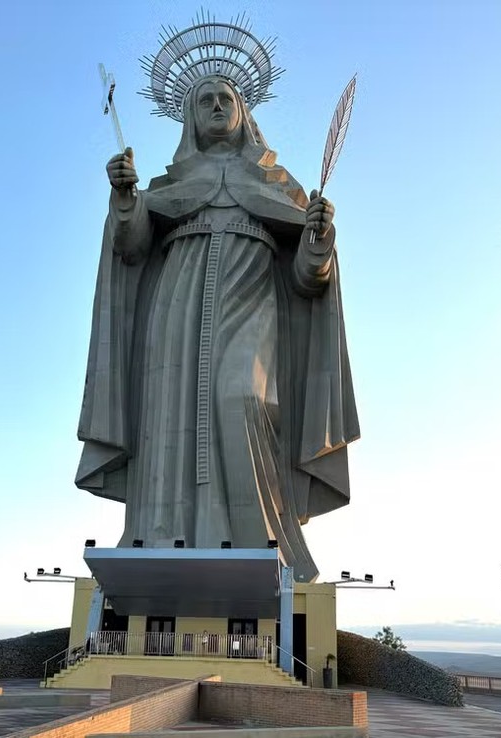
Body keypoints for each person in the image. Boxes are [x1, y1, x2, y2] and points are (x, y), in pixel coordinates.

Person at [76, 75, 359, 583]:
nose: (215, 106)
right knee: (169, 410)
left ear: (243, 112)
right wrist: (125, 199)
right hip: (175, 301)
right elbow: (132, 247)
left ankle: (264, 539)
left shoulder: (277, 184)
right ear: (189, 116)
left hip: (252, 298)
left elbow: (305, 279)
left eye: (224, 98)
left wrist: (317, 241)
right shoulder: (169, 185)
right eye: (204, 99)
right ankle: (160, 534)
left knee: (243, 398)